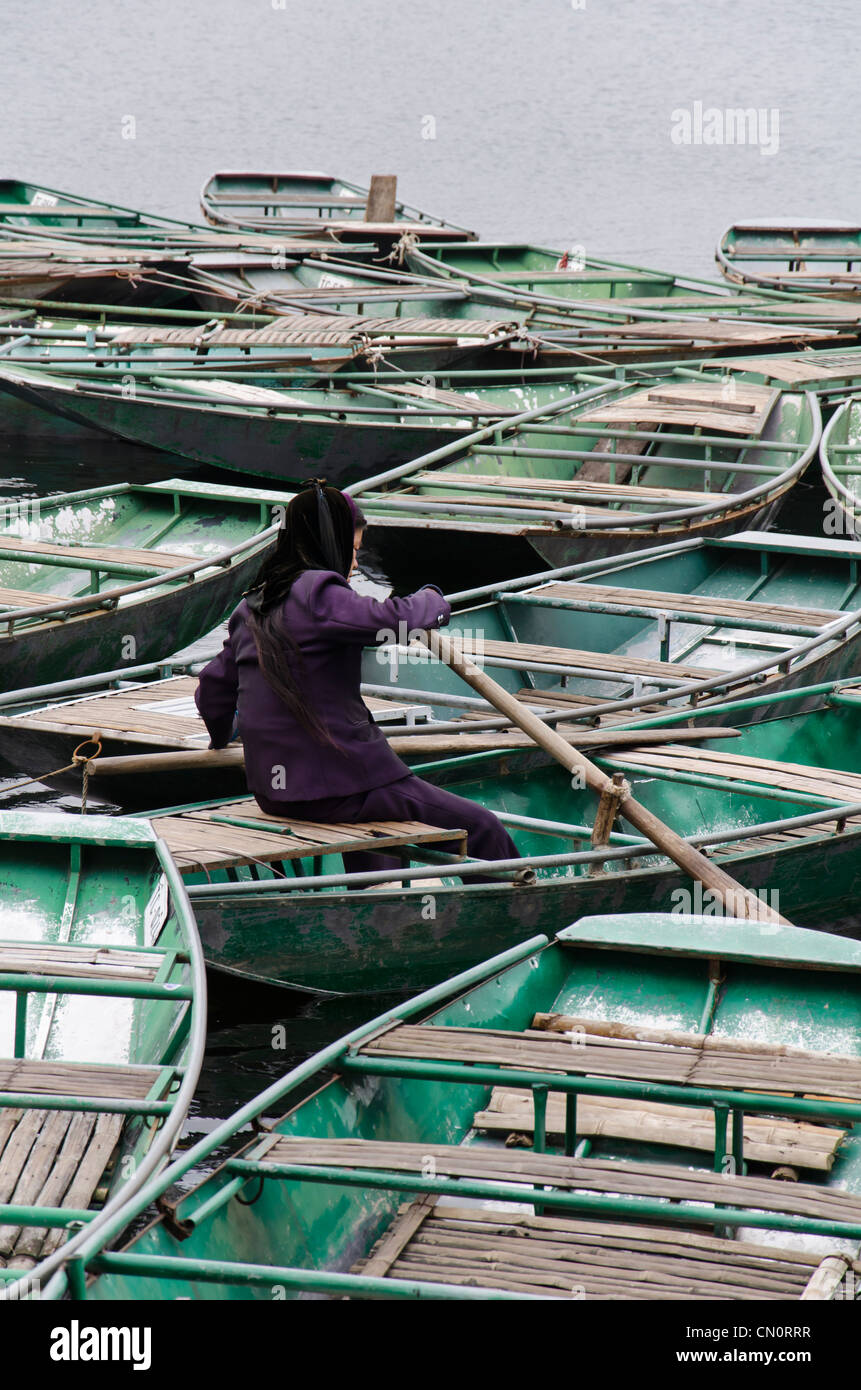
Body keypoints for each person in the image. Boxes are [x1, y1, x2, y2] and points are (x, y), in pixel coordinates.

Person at [195, 479, 518, 880]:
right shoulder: (318, 591)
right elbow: (393, 621)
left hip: (273, 795)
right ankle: (513, 910)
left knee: (386, 828)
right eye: (351, 549)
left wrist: (223, 735)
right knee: (482, 826)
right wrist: (434, 597)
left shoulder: (253, 603)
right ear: (328, 542)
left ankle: (373, 899)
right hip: (342, 788)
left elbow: (211, 690)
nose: (354, 563)